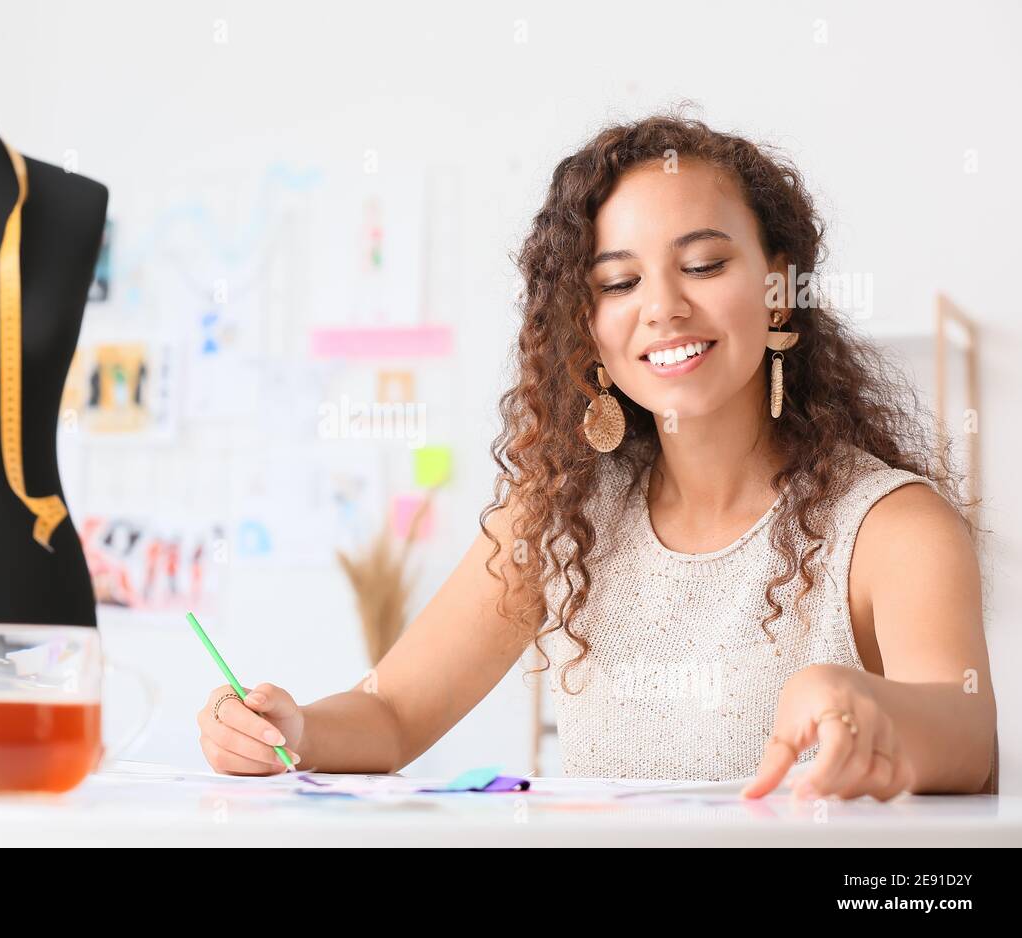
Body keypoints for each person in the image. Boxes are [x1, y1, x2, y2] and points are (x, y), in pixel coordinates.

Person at [195, 114, 996, 800]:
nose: (663, 308)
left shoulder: (893, 528)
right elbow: (393, 714)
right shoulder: (558, 517)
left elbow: (968, 738)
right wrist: (291, 730)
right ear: (589, 331)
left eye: (706, 265)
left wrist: (868, 707)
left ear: (780, 289)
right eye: (618, 283)